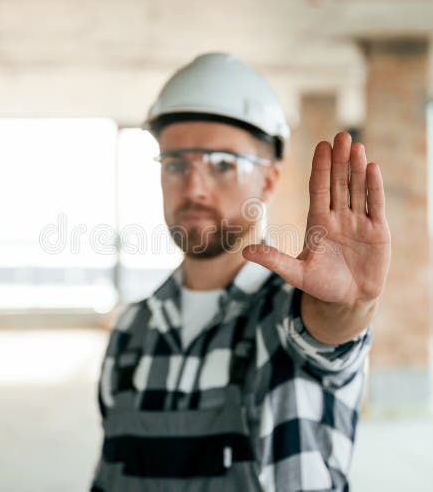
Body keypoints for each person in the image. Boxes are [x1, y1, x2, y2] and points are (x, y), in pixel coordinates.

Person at [91, 52, 391, 491]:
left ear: (268, 181)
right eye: (176, 164)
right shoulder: (131, 331)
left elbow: (326, 338)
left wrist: (349, 307)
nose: (193, 187)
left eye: (221, 164)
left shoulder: (290, 313)